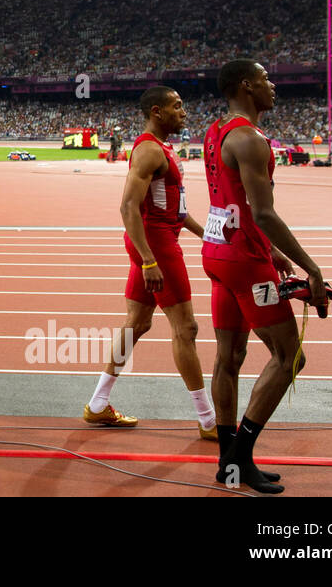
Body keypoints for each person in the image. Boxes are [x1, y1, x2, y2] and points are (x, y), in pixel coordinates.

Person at [203, 59, 328, 494]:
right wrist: (311, 267)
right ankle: (241, 455)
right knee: (289, 356)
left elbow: (231, 202)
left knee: (228, 358)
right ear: (246, 86)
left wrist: (271, 251)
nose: (273, 85)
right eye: (265, 79)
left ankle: (227, 460)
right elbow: (263, 212)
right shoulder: (250, 140)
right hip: (242, 261)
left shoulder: (214, 131)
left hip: (217, 254)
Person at [83, 87, 215, 440]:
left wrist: (206, 234)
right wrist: (147, 260)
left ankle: (97, 404)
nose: (183, 112)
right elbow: (128, 207)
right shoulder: (148, 150)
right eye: (177, 106)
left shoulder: (164, 149)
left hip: (155, 242)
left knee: (138, 323)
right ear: (157, 111)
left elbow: (174, 209)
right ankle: (209, 420)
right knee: (185, 328)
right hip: (154, 245)